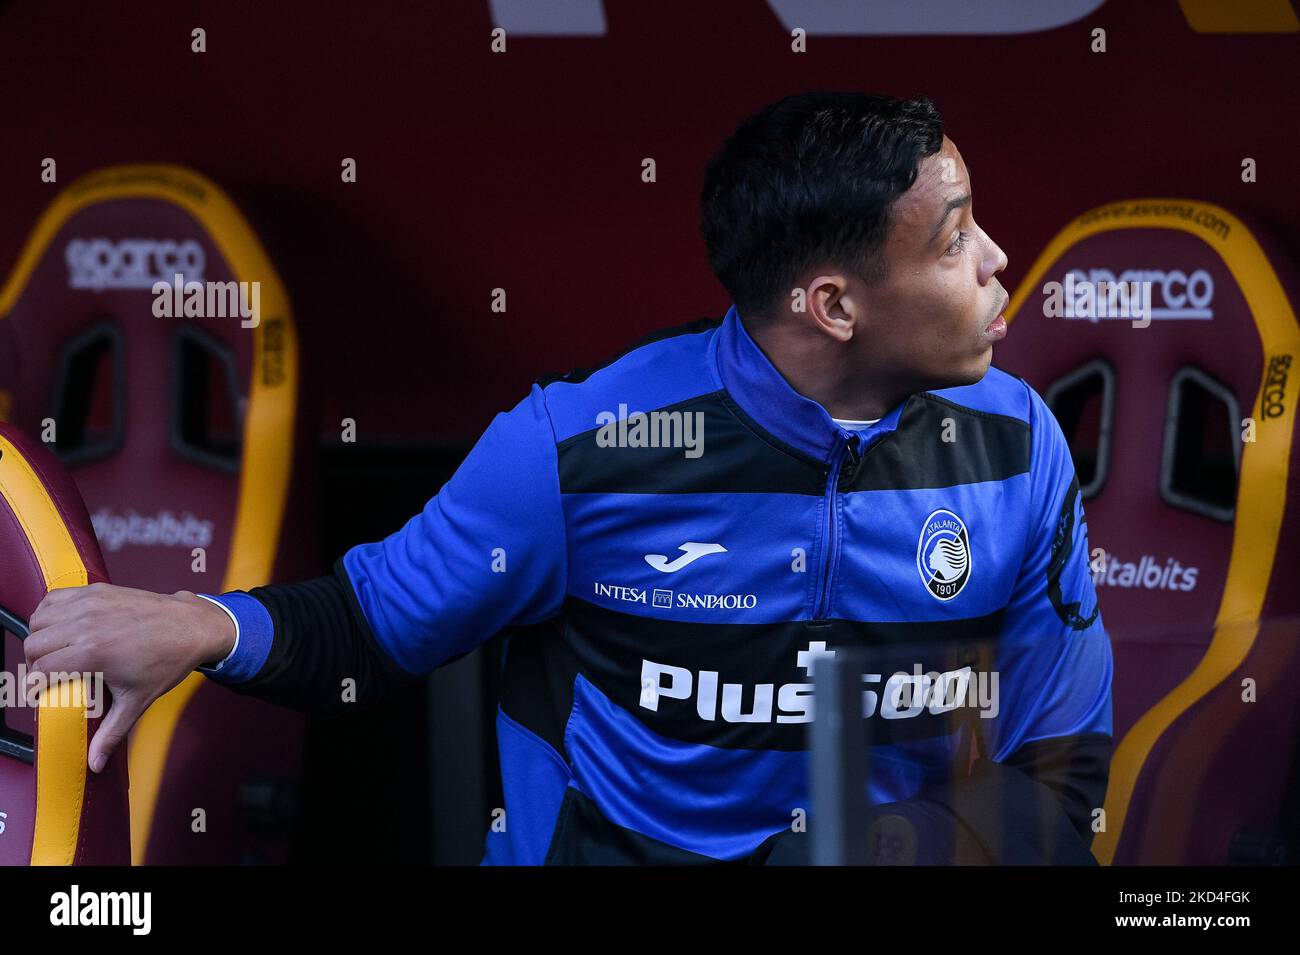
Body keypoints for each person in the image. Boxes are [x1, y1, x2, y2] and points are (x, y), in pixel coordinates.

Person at [24, 90, 1112, 865]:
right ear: (832, 306)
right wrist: (197, 624)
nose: (996, 259)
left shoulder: (1019, 445)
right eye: (953, 238)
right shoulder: (580, 445)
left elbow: (1065, 770)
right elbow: (371, 626)